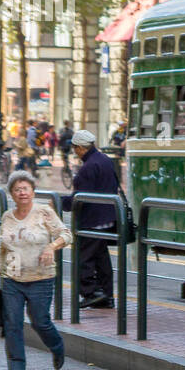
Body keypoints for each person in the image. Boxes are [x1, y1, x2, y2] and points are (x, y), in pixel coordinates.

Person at [0, 170, 71, 370]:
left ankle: (56, 345)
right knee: (12, 322)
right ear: (12, 194)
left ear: (33, 192)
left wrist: (51, 247)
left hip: (40, 277)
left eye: (25, 189)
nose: (22, 193)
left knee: (39, 321)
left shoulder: (44, 212)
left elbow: (66, 234)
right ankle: (16, 367)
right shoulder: (7, 216)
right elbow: (3, 247)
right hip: (12, 277)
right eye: (17, 190)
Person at [63, 130, 120, 309]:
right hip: (107, 219)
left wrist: (60, 202)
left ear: (80, 148)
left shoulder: (88, 167)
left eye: (75, 148)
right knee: (101, 258)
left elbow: (80, 197)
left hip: (92, 220)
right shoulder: (104, 160)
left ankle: (91, 292)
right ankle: (106, 295)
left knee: (84, 257)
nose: (75, 152)